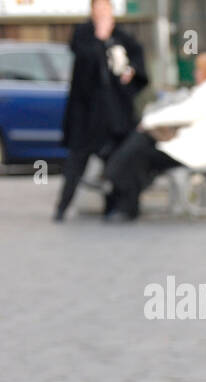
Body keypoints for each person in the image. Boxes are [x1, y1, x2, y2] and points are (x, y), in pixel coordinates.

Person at [103, 52, 206, 221]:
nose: (195, 73)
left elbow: (185, 112)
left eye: (199, 70)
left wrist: (149, 121)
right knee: (140, 149)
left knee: (139, 150)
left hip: (195, 153)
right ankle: (122, 195)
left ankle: (119, 190)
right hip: (193, 150)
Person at [54, 0, 147, 221]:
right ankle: (62, 207)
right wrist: (100, 39)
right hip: (86, 115)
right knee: (76, 162)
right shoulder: (83, 33)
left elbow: (137, 61)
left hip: (114, 115)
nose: (103, 14)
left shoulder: (123, 36)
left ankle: (116, 207)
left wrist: (131, 71)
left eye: (107, 9)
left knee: (117, 161)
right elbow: (84, 61)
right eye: (99, 9)